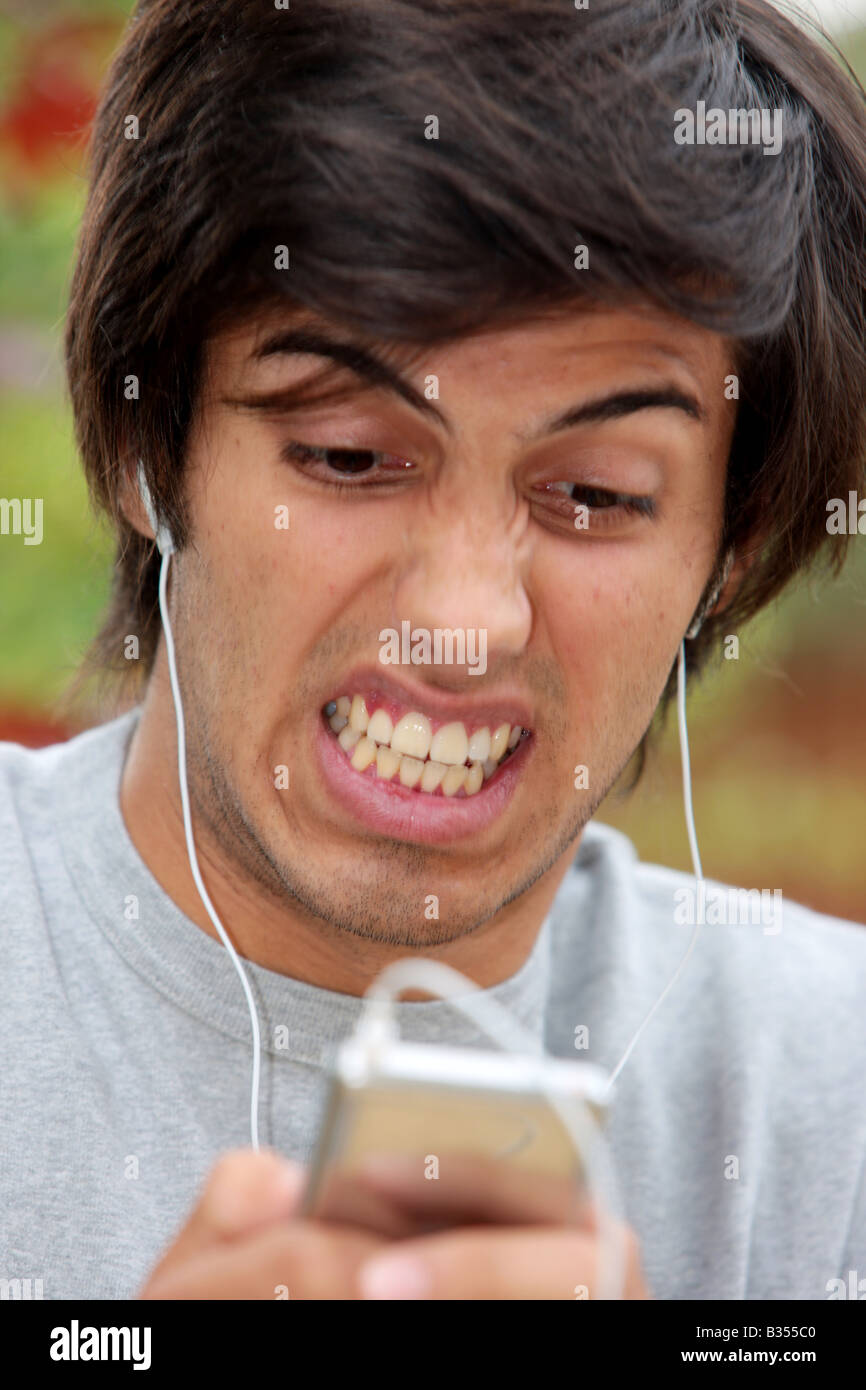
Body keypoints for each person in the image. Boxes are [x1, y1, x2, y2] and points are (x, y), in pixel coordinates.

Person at [2, 0, 865, 1301]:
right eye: (350, 457)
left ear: (726, 553)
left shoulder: (831, 1101)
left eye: (595, 494)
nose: (463, 624)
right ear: (145, 449)